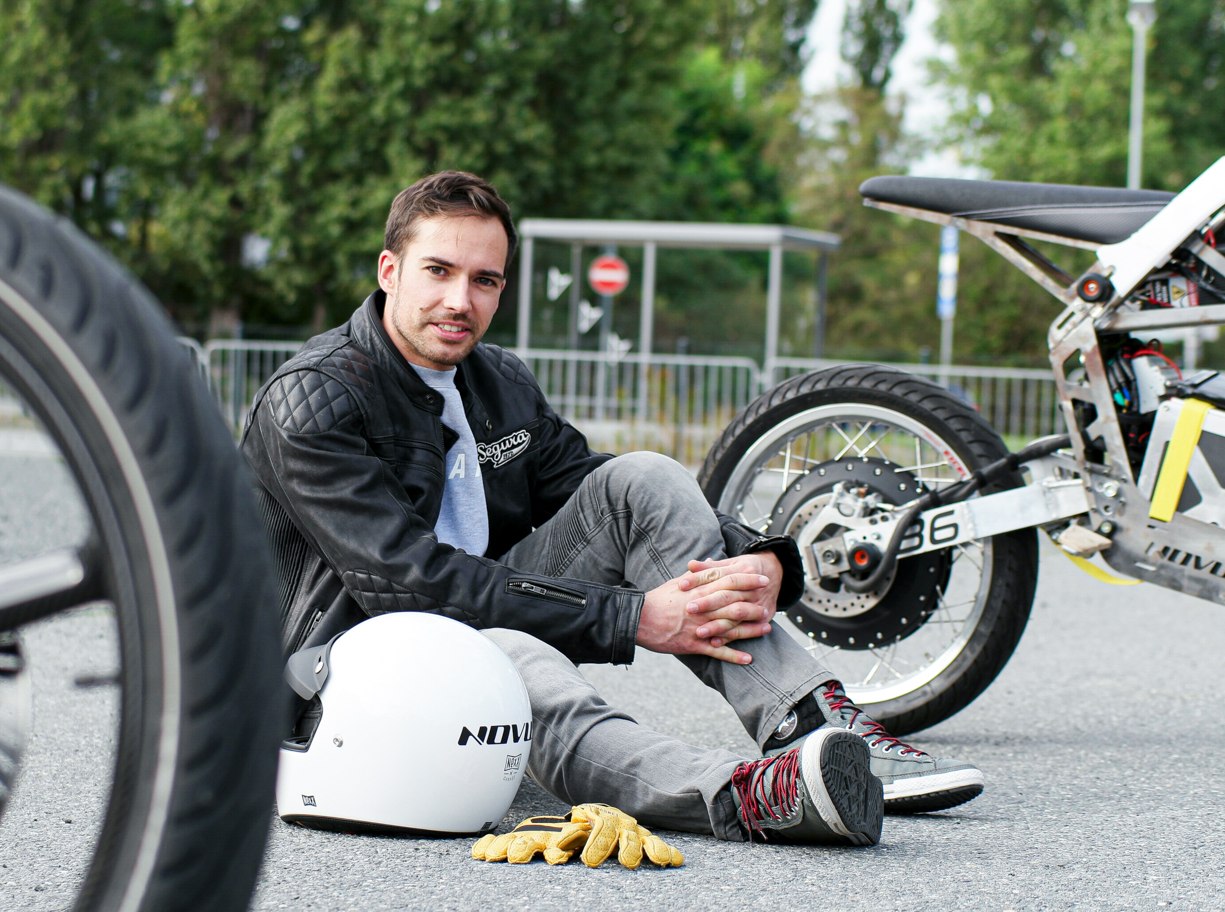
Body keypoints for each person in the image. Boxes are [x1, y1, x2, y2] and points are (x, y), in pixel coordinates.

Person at [241, 171, 983, 846]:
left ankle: (805, 717)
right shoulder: (316, 400)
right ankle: (745, 796)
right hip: (337, 674)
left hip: (470, 617)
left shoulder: (496, 379)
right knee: (510, 656)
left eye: (485, 280)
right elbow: (408, 583)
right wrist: (632, 618)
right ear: (390, 270)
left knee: (645, 478)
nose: (460, 301)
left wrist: (761, 554)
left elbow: (589, 486)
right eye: (438, 272)